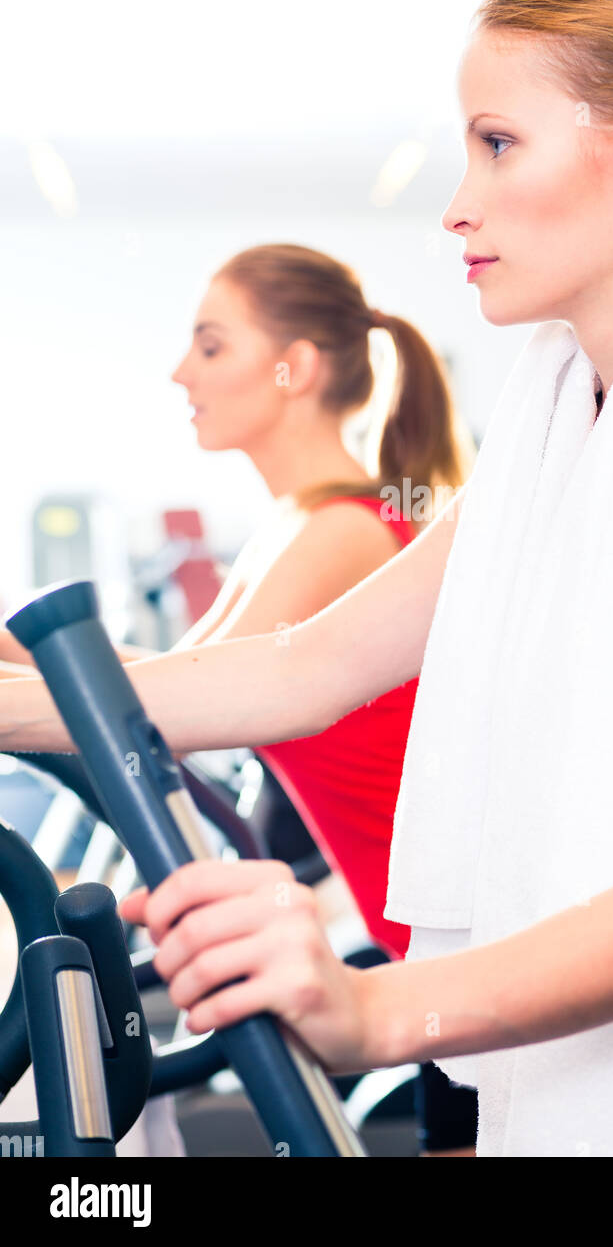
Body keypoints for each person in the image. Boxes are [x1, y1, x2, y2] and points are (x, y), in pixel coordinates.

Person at [2, 0, 613, 1157]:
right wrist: (15, 707)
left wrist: (374, 1008)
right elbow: (305, 666)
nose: (457, 202)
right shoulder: (561, 430)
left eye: (497, 143)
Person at [0, 241, 478, 1156]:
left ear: (293, 367)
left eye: (211, 345)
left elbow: (165, 712)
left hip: (459, 933)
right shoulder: (298, 524)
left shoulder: (340, 529)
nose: (182, 370)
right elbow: (162, 675)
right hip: (420, 930)